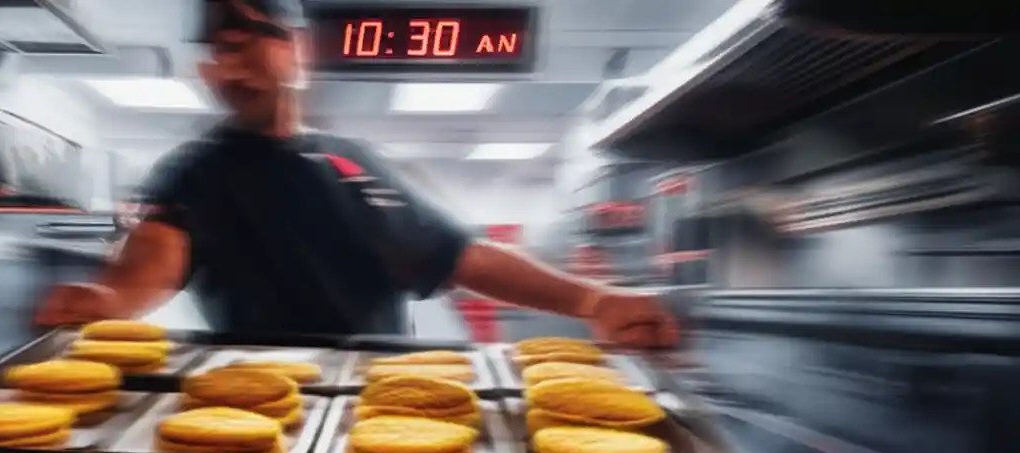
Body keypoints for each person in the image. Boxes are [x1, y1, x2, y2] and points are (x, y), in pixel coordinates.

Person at [37, 0, 678, 349]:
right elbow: (154, 260)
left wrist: (594, 300)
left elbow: (463, 257)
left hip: (377, 404)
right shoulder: (192, 173)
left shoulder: (353, 161)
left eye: (239, 39)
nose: (224, 64)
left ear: (294, 47)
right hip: (256, 411)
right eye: (213, 53)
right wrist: (107, 300)